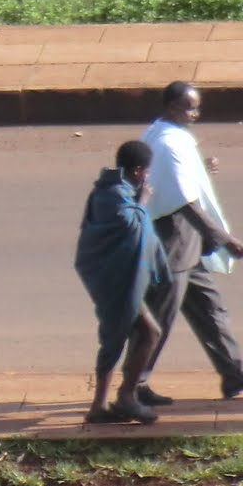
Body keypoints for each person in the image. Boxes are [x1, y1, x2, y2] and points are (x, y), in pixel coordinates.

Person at [138, 81, 243, 405]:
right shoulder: (168, 142)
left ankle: (234, 377)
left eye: (196, 106)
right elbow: (184, 202)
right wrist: (225, 240)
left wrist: (202, 170)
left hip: (187, 244)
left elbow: (177, 183)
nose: (195, 113)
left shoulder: (163, 134)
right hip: (171, 245)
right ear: (171, 107)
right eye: (189, 107)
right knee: (159, 320)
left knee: (211, 309)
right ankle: (134, 386)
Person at [74, 140, 165, 424]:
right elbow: (128, 225)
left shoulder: (121, 190)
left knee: (142, 333)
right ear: (138, 171)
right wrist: (144, 202)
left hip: (122, 278)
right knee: (121, 336)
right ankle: (121, 399)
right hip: (111, 278)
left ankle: (109, 402)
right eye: (146, 171)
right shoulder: (112, 194)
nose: (148, 177)